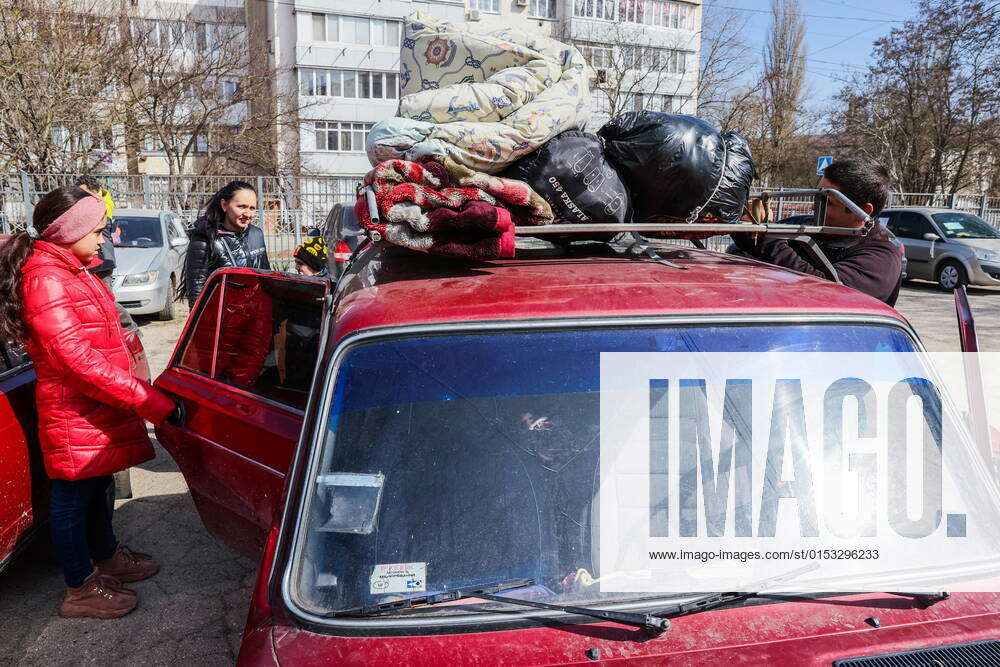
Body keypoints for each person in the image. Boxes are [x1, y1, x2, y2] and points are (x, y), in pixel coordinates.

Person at [0, 186, 178, 619]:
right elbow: (76, 360)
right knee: (72, 499)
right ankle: (79, 587)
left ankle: (106, 556)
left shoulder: (72, 268)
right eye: (98, 230)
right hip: (73, 411)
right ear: (69, 230)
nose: (105, 238)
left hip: (94, 407)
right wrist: (146, 400)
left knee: (97, 489)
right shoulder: (45, 277)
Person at [731, 157, 902, 306]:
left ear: (862, 211)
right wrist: (737, 218)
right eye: (816, 197)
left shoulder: (882, 258)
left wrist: (766, 238)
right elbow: (755, 245)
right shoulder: (808, 225)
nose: (815, 206)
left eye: (827, 202)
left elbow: (825, 288)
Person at [184, 180, 269, 307]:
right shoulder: (204, 239)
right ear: (224, 205)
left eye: (252, 208)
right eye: (241, 206)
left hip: (255, 315)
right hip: (221, 319)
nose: (247, 214)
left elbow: (267, 277)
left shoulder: (256, 234)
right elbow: (196, 292)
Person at [74, 175, 139, 335]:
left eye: (84, 193)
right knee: (96, 300)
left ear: (95, 191)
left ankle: (130, 329)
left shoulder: (101, 205)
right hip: (92, 259)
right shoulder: (94, 203)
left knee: (106, 301)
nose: (81, 197)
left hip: (102, 259)